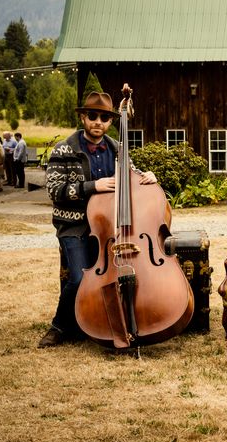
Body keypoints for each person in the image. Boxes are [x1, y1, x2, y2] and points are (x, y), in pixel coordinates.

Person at [38, 91, 160, 348]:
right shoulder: (65, 149)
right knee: (81, 278)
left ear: (110, 122)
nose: (98, 122)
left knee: (114, 275)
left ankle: (108, 323)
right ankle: (59, 326)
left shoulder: (117, 148)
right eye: (92, 116)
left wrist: (147, 176)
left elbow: (131, 176)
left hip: (109, 227)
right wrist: (92, 186)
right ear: (83, 117)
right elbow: (54, 190)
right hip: (75, 224)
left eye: (104, 118)